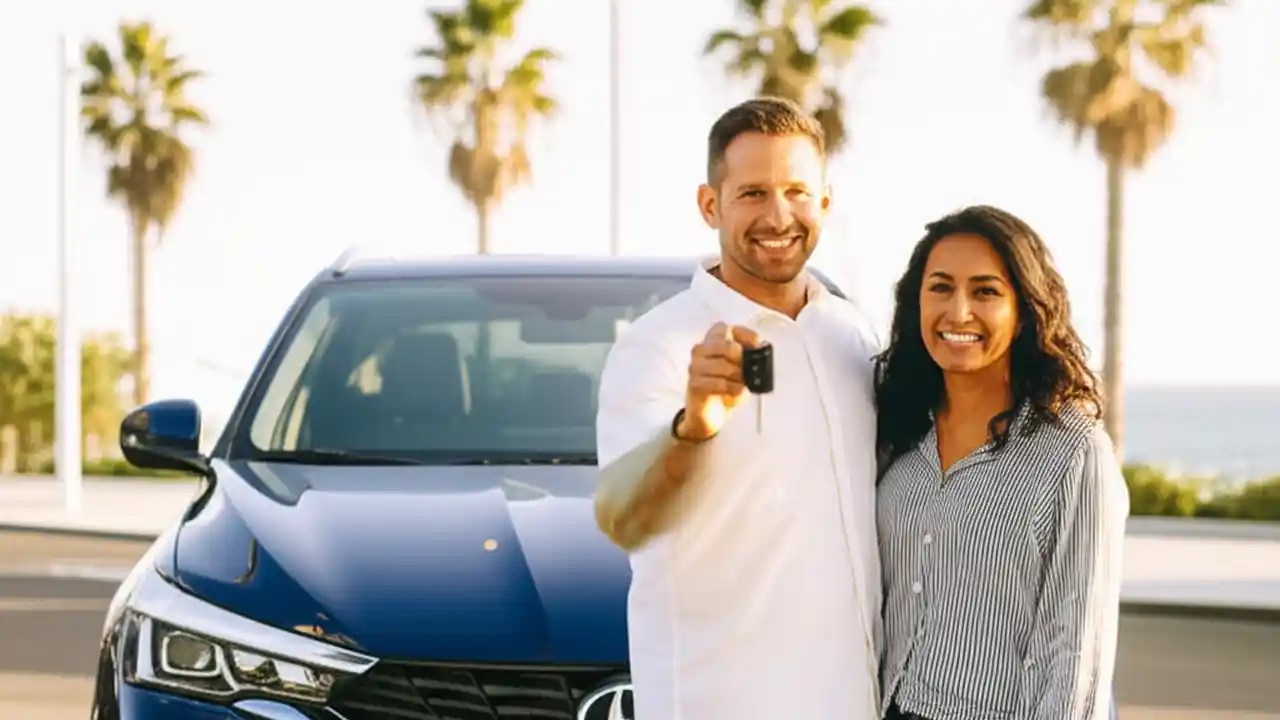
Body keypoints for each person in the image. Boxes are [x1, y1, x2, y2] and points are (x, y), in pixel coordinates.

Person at [593, 96, 882, 719]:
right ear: (709, 205)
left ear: (825, 203)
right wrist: (692, 429)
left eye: (797, 192)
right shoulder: (657, 347)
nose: (779, 215)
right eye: (752, 193)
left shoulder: (852, 336)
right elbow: (626, 516)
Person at [873, 204, 1129, 720]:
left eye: (986, 291)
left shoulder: (1073, 453)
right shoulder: (897, 436)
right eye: (940, 287)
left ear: (1023, 311)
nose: (959, 311)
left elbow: (1077, 654)